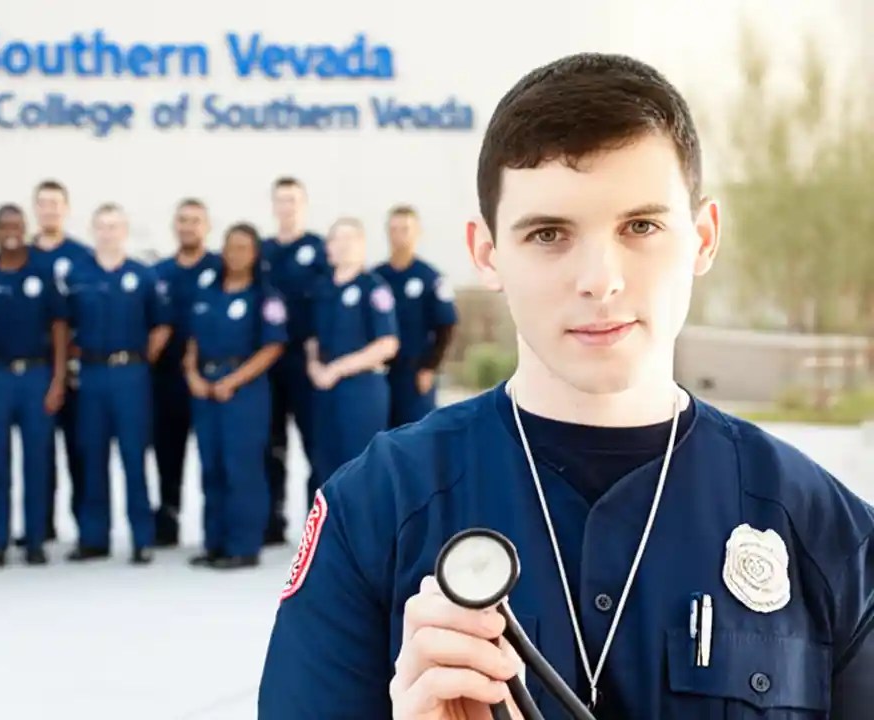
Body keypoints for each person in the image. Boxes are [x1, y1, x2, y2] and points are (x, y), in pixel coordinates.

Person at [258, 53, 874, 719]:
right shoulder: (374, 510)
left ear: (702, 238)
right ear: (487, 252)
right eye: (549, 233)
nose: (599, 279)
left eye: (640, 226)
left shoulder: (824, 528)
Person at [0, 204, 69, 567]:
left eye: (16, 225)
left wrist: (57, 380)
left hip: (38, 378)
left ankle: (35, 540)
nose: (10, 231)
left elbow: (59, 329)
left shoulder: (43, 271)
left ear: (25, 229)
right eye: (4, 225)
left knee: (37, 462)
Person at [64, 203, 172, 565]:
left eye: (115, 226)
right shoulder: (78, 276)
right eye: (102, 227)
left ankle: (142, 538)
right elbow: (65, 328)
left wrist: (141, 359)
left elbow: (161, 325)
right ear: (94, 231)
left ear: (125, 231)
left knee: (133, 456)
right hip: (92, 374)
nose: (108, 233)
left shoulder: (143, 275)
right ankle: (93, 537)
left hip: (131, 374)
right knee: (91, 456)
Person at [184, 223, 286, 569]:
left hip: (245, 391)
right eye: (231, 246)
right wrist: (192, 374)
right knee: (211, 466)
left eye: (244, 247)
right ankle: (215, 542)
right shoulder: (208, 290)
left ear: (255, 254)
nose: (236, 254)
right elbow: (193, 340)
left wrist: (234, 381)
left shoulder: (265, 296)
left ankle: (243, 545)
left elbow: (272, 347)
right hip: (206, 387)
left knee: (240, 466)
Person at [21, 179, 96, 547]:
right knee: (39, 453)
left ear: (66, 209)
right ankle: (41, 525)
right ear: (36, 209)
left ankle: (84, 527)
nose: (50, 210)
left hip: (75, 370)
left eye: (56, 204)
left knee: (78, 450)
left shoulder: (83, 256)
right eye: (44, 203)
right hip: (36, 370)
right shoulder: (23, 256)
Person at [259, 176, 330, 545]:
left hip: (305, 361)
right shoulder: (262, 250)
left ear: (303, 205)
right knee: (270, 445)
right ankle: (272, 520)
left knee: (314, 445)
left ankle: (314, 526)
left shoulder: (318, 250)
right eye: (281, 200)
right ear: (273, 205)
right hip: (268, 363)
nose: (287, 207)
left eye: (293, 200)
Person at [304, 218, 399, 488]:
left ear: (363, 246)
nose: (343, 246)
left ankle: (363, 530)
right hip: (324, 389)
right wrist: (314, 366)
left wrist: (337, 369)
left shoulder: (374, 287)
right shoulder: (321, 289)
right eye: (337, 239)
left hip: (361, 389)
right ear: (328, 248)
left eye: (351, 239)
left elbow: (387, 344)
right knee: (323, 465)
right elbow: (311, 337)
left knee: (359, 466)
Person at [152, 198, 222, 547]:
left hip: (211, 378)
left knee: (216, 455)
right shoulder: (161, 272)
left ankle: (219, 528)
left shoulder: (221, 268)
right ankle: (167, 519)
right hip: (166, 379)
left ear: (206, 226)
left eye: (196, 220)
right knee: (167, 452)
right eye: (183, 220)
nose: (188, 226)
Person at [374, 205, 459, 428]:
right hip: (380, 373)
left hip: (414, 374)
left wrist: (430, 368)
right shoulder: (375, 277)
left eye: (405, 229)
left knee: (416, 436)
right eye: (393, 229)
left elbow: (446, 326)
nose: (399, 235)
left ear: (417, 232)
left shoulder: (430, 277)